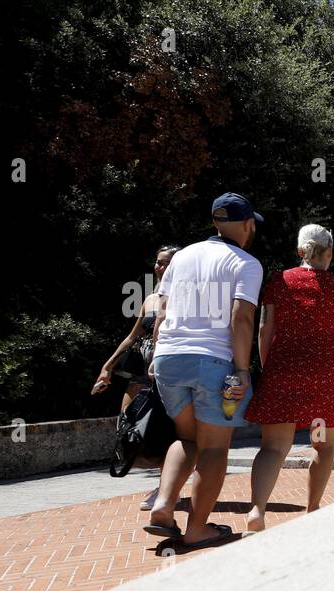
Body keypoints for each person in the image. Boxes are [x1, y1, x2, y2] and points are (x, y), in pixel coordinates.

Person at [143, 193, 262, 551]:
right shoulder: (246, 263)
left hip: (169, 358)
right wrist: (242, 370)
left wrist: (155, 354)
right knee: (214, 447)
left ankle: (163, 506)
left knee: (187, 438)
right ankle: (197, 529)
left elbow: (161, 311)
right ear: (247, 224)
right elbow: (241, 319)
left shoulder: (181, 257)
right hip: (215, 363)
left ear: (215, 222)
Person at [243, 224, 334, 532]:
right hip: (324, 378)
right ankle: (312, 508)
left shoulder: (279, 282)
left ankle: (257, 510)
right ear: (330, 253)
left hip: (283, 372)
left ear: (299, 252)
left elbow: (264, 329)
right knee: (322, 446)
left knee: (273, 448)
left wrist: (270, 370)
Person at [93, 244, 179, 510]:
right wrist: (107, 367)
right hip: (142, 370)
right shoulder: (150, 299)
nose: (160, 267)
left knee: (167, 431)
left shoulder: (188, 297)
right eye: (158, 262)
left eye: (166, 263)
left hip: (168, 371)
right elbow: (133, 337)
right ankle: (163, 486)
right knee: (129, 427)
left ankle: (164, 491)